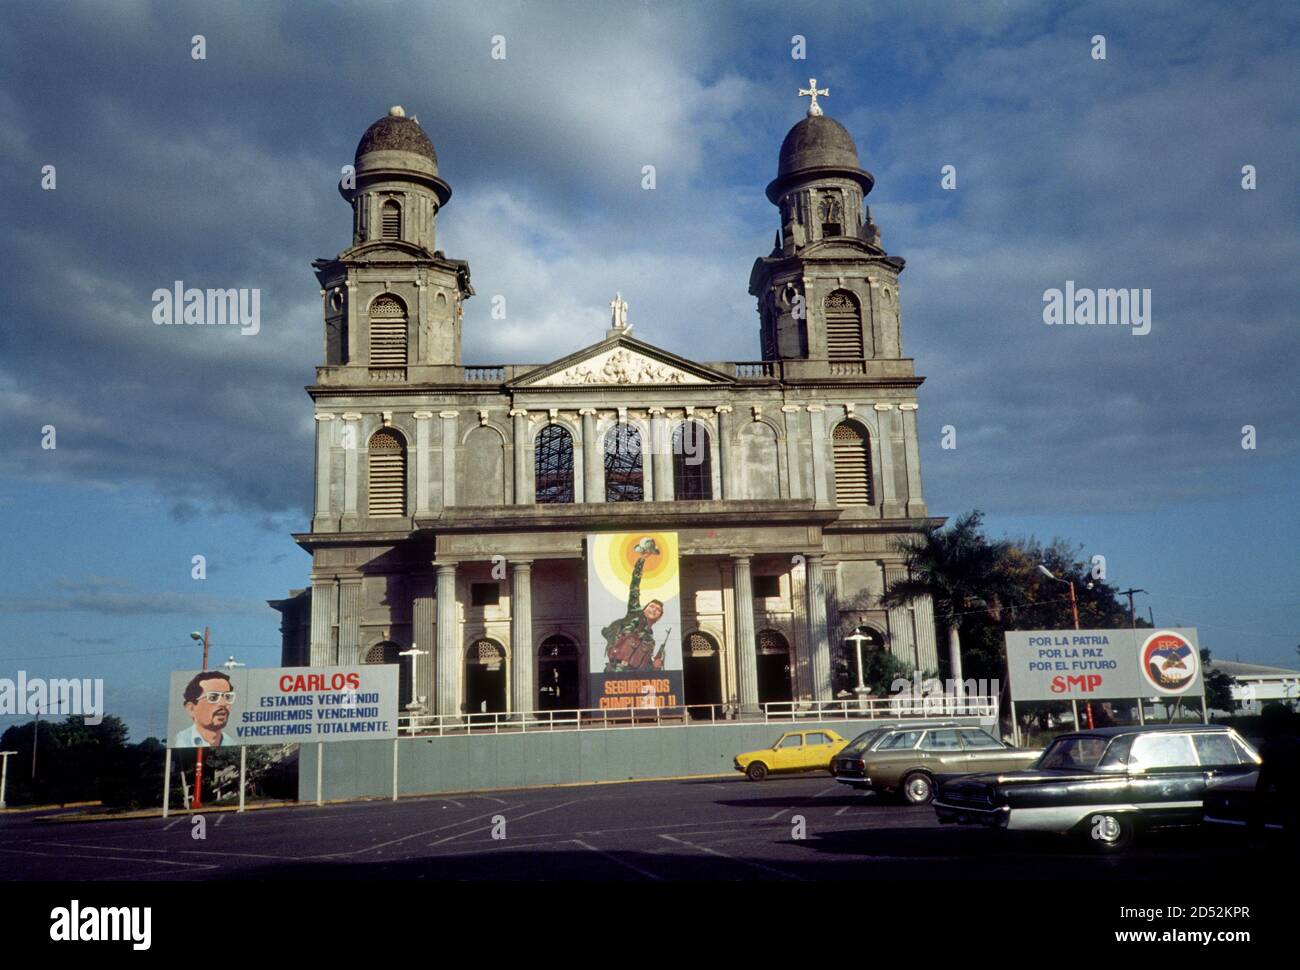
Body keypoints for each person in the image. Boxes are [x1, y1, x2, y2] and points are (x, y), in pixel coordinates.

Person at [602, 539, 666, 672]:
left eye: (658, 610)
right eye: (652, 606)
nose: (654, 610)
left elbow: (645, 666)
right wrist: (642, 560)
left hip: (632, 677)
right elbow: (634, 586)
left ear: (659, 617)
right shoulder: (634, 612)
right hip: (614, 669)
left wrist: (655, 666)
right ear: (644, 608)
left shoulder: (650, 640)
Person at [172, 671, 235, 748]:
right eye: (213, 697)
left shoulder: (232, 743)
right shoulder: (178, 741)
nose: (223, 703)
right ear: (191, 708)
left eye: (227, 697)